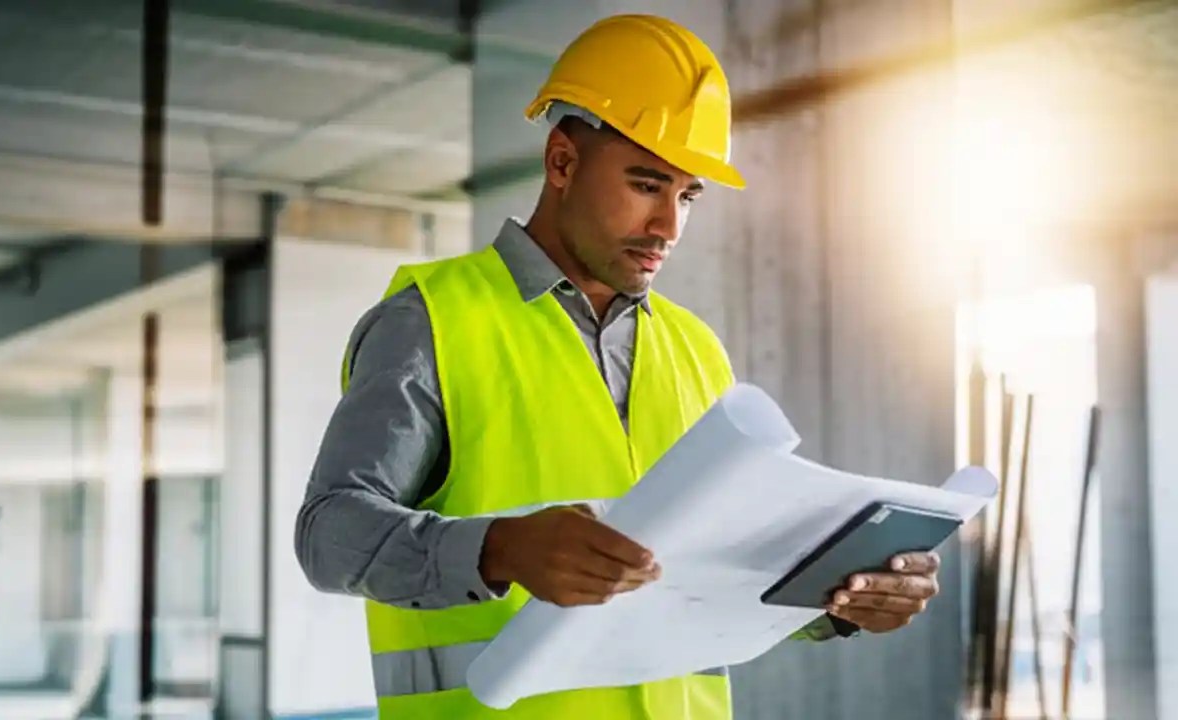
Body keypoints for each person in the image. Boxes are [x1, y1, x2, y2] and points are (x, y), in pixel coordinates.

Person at [296, 13, 942, 719]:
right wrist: (499, 549)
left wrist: (841, 597)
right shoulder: (431, 323)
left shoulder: (697, 350)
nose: (669, 226)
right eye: (646, 184)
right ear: (562, 163)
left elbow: (720, 572)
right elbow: (329, 534)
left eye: (686, 195)